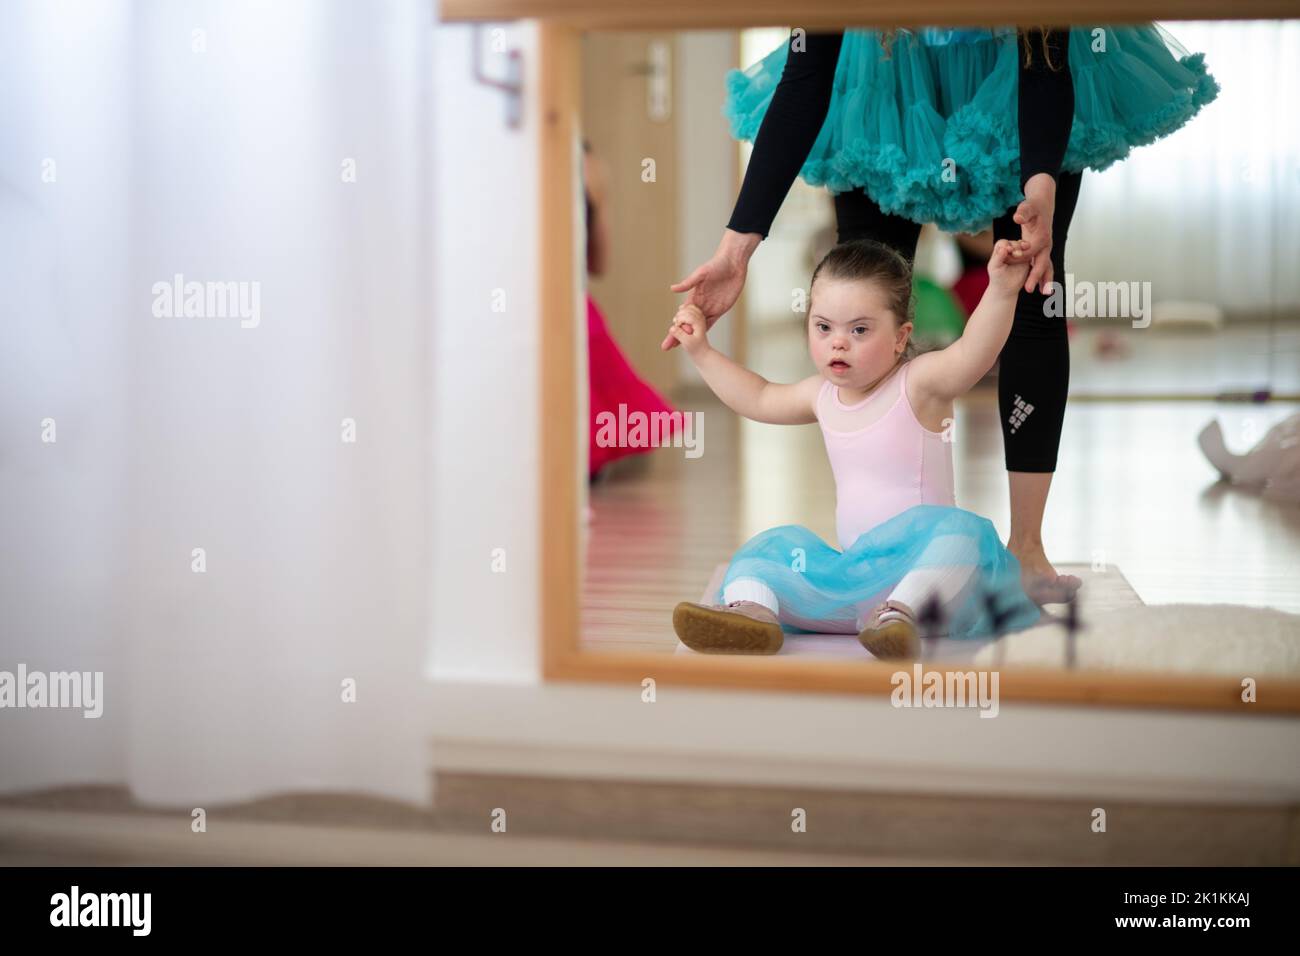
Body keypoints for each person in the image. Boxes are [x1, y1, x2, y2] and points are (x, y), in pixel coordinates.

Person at [666, 25, 1218, 604]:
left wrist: (1042, 188)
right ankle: (879, 546)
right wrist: (737, 247)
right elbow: (806, 77)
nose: (831, 340)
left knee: (1033, 286)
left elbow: (1044, 61)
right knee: (863, 291)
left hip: (1017, 83)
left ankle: (1026, 546)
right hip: (883, 83)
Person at [669, 238, 1044, 659]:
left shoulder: (919, 385)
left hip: (932, 582)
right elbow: (757, 397)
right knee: (767, 548)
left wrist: (1002, 289)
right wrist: (701, 353)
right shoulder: (821, 395)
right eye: (823, 327)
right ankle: (753, 615)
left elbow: (975, 350)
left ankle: (901, 617)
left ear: (901, 338)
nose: (838, 343)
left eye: (859, 330)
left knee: (962, 535)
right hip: (856, 584)